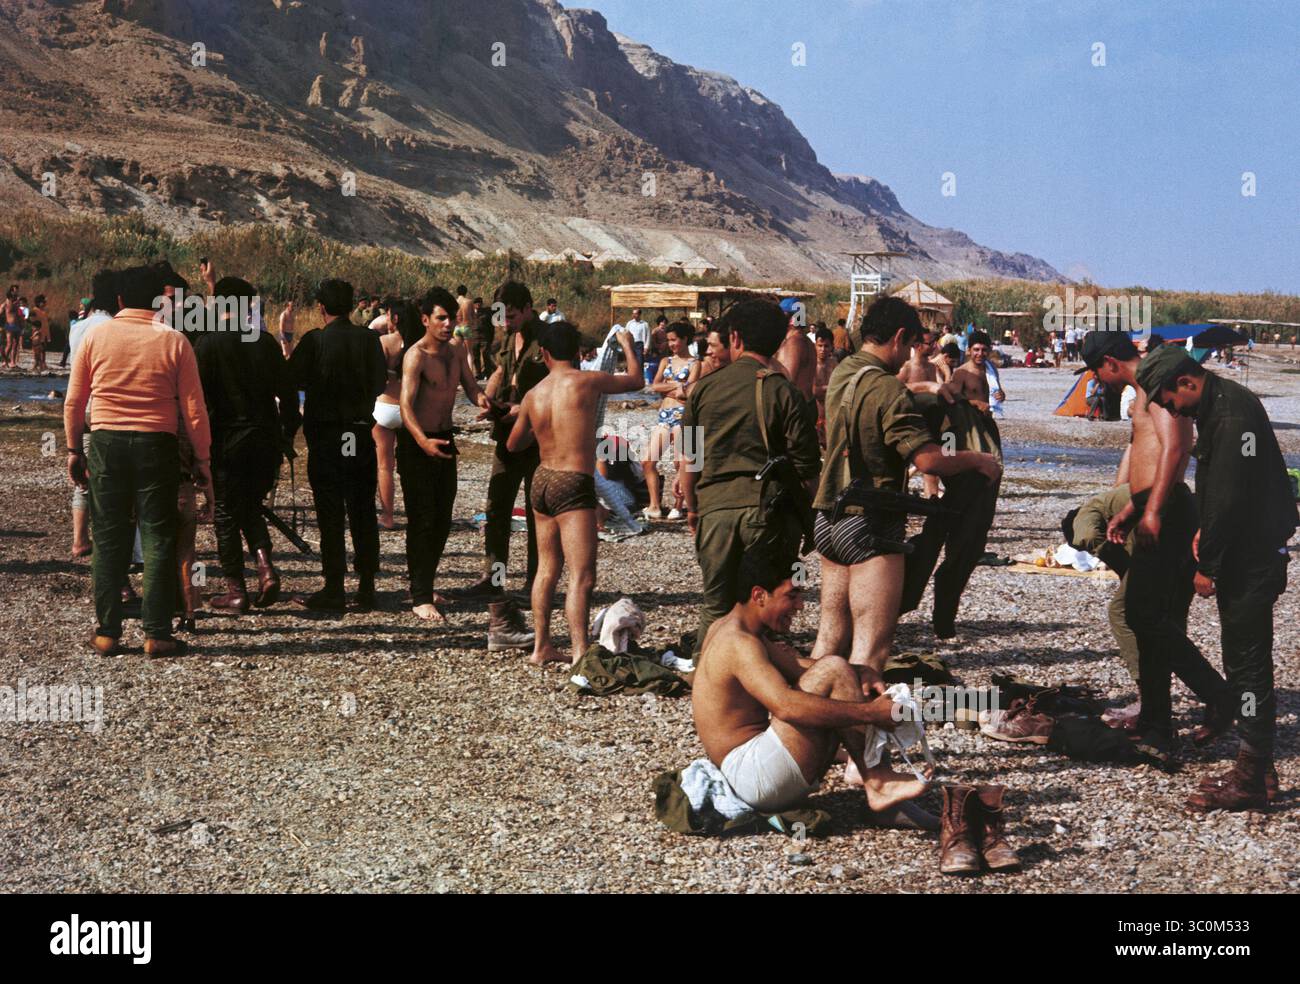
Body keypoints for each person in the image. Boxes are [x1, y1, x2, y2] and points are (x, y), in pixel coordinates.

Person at [809, 297, 1000, 696]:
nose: (911, 353)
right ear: (899, 337)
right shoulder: (887, 389)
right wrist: (976, 459)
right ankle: (858, 737)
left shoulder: (844, 372)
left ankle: (799, 722)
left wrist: (928, 389)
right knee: (869, 657)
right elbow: (927, 460)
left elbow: (881, 400)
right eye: (911, 344)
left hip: (827, 518)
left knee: (828, 644)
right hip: (869, 523)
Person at [1142, 346, 1296, 810]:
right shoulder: (1227, 403)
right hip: (1251, 551)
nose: (1172, 411)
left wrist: (1208, 565)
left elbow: (1229, 495)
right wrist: (1206, 530)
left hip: (1248, 561)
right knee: (1247, 663)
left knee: (1247, 668)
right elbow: (1234, 484)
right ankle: (1259, 769)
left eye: (1170, 401)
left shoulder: (1230, 417)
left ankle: (1250, 776)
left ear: (1187, 382)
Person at [692, 549, 934, 825]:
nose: (800, 606)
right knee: (834, 669)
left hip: (748, 772)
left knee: (838, 671)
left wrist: (861, 671)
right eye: (792, 596)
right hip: (751, 778)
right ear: (759, 595)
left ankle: (880, 785)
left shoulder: (732, 627)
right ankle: (877, 782)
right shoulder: (739, 643)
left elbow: (797, 667)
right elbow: (786, 706)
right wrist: (873, 713)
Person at [1086, 333, 1232, 765]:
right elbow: (1150, 452)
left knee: (1144, 616)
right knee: (1147, 617)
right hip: (1153, 507)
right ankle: (1156, 724)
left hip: (1166, 512)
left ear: (1110, 363)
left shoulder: (1153, 385)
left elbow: (1177, 447)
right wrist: (1132, 507)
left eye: (1096, 372)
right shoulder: (1143, 390)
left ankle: (1218, 694)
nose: (1099, 381)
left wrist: (1151, 510)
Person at [64, 263, 212, 657]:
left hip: (106, 442)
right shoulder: (174, 340)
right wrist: (202, 459)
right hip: (157, 444)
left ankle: (107, 632)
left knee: (108, 537)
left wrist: (74, 450)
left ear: (119, 299)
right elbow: (194, 410)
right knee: (157, 536)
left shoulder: (96, 336)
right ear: (159, 300)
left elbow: (75, 401)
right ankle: (157, 632)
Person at [680, 298, 821, 655]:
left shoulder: (702, 390)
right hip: (769, 513)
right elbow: (808, 469)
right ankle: (761, 671)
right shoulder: (784, 390)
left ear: (735, 337)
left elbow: (689, 458)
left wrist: (693, 507)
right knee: (764, 605)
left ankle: (707, 672)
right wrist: (807, 518)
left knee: (716, 604)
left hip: (715, 509)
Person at [506, 323, 642, 665]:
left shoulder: (533, 394)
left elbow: (513, 444)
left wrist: (537, 425)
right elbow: (636, 380)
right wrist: (627, 344)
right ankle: (580, 652)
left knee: (546, 568)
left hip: (542, 479)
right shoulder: (586, 381)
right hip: (572, 481)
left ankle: (541, 646)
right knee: (582, 576)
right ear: (579, 353)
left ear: (544, 354)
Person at [195, 276, 301, 616]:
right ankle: (265, 567)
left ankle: (236, 591)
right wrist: (286, 436)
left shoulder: (207, 344)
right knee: (251, 505)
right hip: (264, 440)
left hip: (226, 441)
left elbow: (196, 403)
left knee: (225, 513)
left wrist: (195, 447)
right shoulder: (265, 343)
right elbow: (289, 396)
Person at [394, 288, 495, 622]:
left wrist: (483, 401)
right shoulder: (416, 355)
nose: (448, 324)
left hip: (445, 439)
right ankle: (420, 596)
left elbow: (471, 386)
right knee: (421, 518)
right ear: (425, 320)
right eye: (441, 318)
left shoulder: (456, 350)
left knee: (441, 519)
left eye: (452, 318)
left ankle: (424, 584)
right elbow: (405, 406)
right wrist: (422, 441)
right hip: (416, 443)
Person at [289, 278, 387, 612]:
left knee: (330, 514)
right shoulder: (369, 339)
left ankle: (334, 586)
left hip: (327, 437)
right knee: (362, 510)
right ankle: (367, 585)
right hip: (358, 433)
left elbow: (294, 380)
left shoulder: (315, 340)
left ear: (321, 307)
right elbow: (379, 383)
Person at [460, 281, 549, 600]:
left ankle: (535, 584)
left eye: (511, 316)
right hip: (507, 435)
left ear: (527, 308)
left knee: (538, 514)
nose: (505, 322)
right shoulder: (509, 335)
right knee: (497, 509)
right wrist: (487, 398)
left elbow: (562, 384)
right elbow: (500, 370)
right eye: (502, 316)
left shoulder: (548, 338)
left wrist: (524, 409)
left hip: (539, 440)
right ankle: (494, 579)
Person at [641, 321, 698, 520]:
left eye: (674, 340)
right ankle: (654, 505)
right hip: (664, 416)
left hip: (682, 416)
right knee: (647, 460)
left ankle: (678, 505)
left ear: (685, 339)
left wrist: (670, 388)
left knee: (679, 463)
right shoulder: (666, 361)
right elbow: (654, 386)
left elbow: (690, 393)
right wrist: (678, 386)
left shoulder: (695, 363)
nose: (671, 344)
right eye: (669, 340)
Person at [372, 299, 408, 530]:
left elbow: (377, 379)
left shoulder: (385, 342)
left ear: (394, 317)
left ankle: (388, 516)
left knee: (385, 466)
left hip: (385, 407)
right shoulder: (418, 343)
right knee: (410, 466)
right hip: (409, 410)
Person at [774, 298, 816, 415]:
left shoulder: (793, 343)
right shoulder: (807, 341)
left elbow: (787, 380)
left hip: (796, 409)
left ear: (791, 319)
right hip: (806, 405)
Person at [945, 330, 998, 414]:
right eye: (976, 350)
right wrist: (976, 403)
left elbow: (997, 391)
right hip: (968, 419)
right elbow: (953, 400)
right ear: (969, 350)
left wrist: (1001, 395)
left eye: (984, 350)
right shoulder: (961, 373)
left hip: (987, 418)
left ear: (989, 351)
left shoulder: (991, 369)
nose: (980, 354)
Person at [812, 327, 837, 448]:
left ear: (832, 347)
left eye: (826, 346)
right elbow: (813, 391)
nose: (822, 349)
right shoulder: (811, 365)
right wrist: (831, 387)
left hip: (831, 413)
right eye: (820, 346)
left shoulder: (834, 363)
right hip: (816, 414)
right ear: (815, 345)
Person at [471, 296, 494, 378]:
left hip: (485, 338)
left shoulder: (487, 313)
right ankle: (478, 374)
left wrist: (491, 338)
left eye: (480, 303)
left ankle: (488, 373)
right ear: (474, 305)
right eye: (476, 303)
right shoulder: (471, 313)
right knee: (475, 357)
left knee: (486, 355)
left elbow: (491, 326)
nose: (478, 305)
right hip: (474, 338)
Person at [28, 294, 49, 371]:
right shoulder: (35, 310)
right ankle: (36, 364)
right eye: (43, 302)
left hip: (44, 333)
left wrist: (48, 335)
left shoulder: (43, 311)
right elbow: (31, 320)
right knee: (36, 350)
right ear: (39, 303)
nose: (45, 304)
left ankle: (43, 363)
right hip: (37, 333)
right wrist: (36, 330)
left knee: (43, 349)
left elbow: (46, 323)